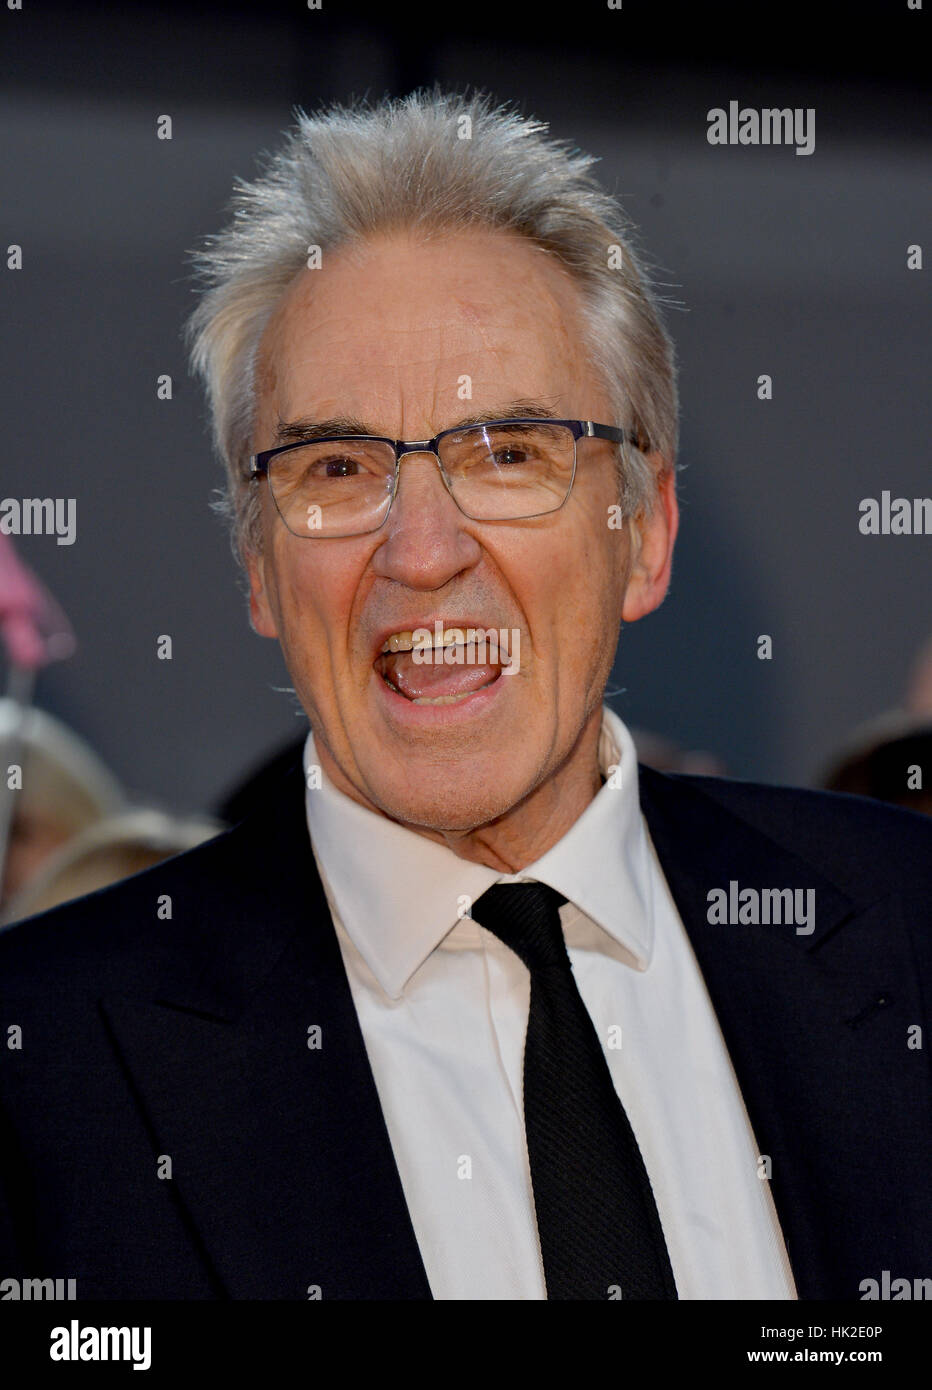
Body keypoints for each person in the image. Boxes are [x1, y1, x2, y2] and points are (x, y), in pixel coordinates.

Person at [0, 89, 928, 1302]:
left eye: (508, 453)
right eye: (335, 466)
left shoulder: (903, 934)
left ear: (642, 535)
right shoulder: (47, 1072)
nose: (421, 547)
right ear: (256, 567)